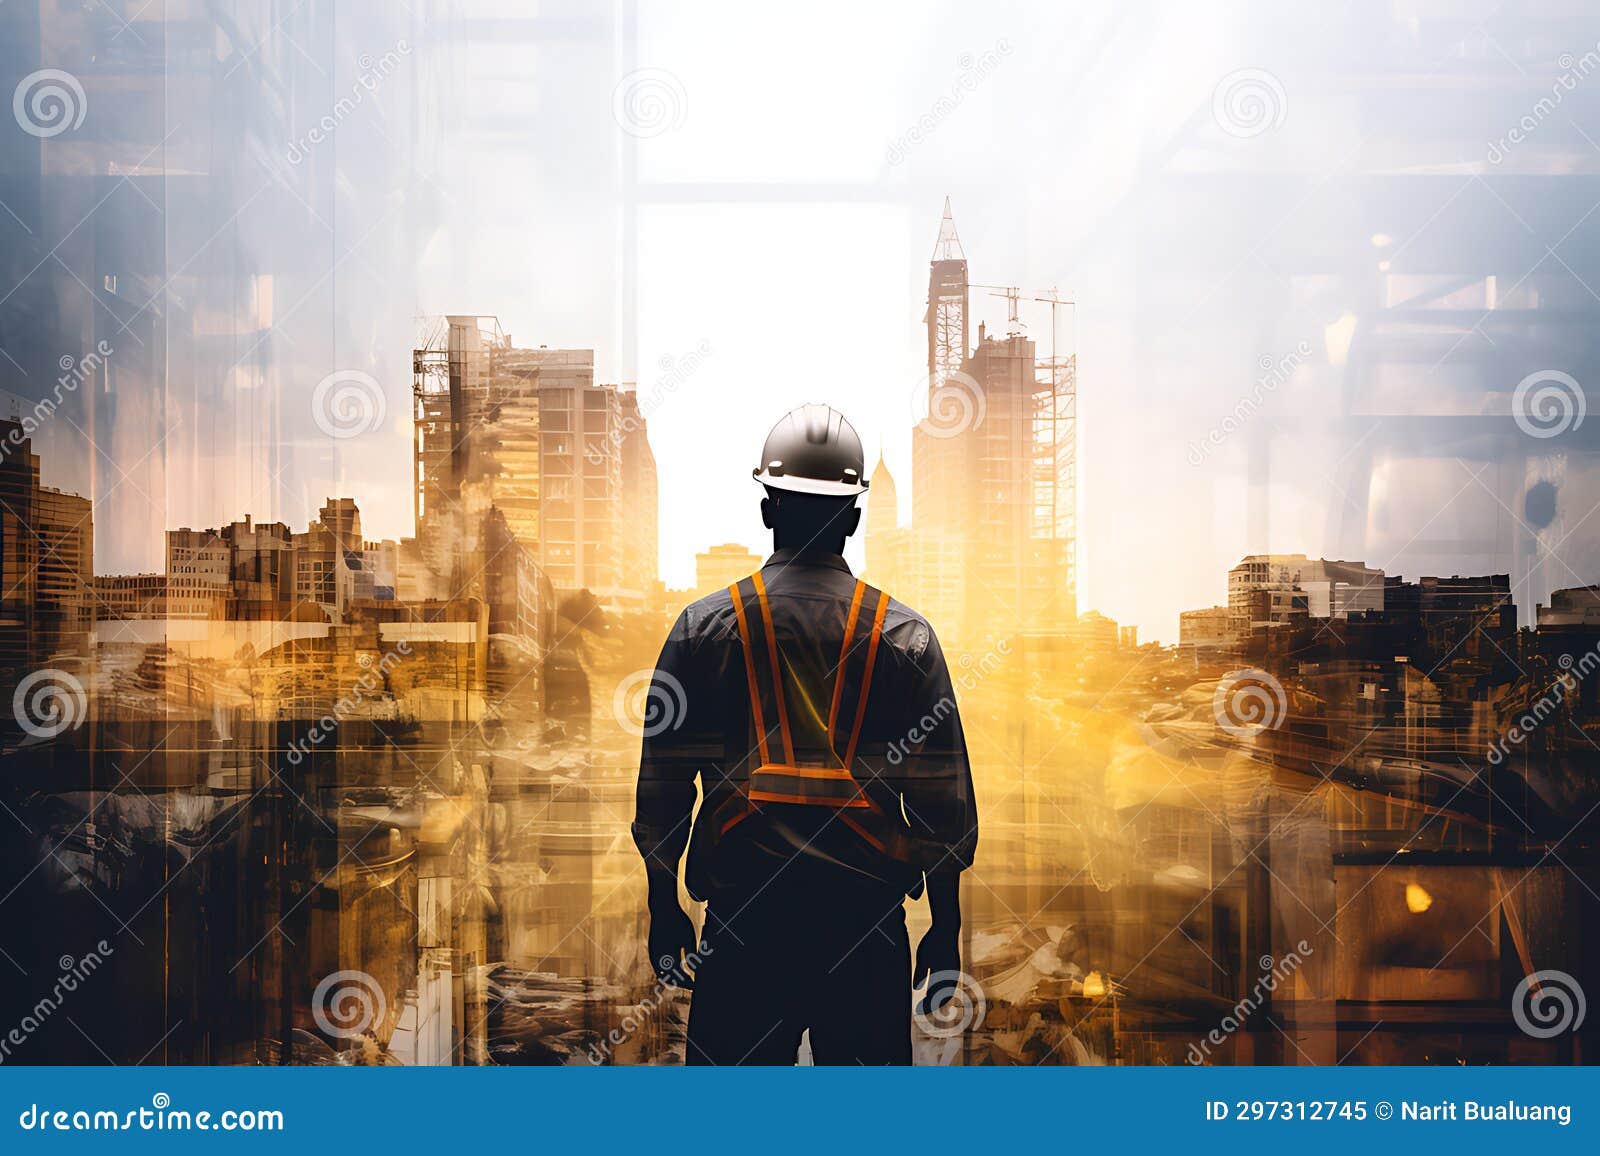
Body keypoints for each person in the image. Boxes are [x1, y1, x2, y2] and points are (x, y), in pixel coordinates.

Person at [631, 403, 978, 1065]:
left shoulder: (704, 629)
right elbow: (943, 799)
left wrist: (663, 906)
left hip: (744, 932)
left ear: (768, 510)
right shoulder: (906, 638)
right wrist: (946, 926)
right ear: (853, 519)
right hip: (866, 932)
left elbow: (664, 787)